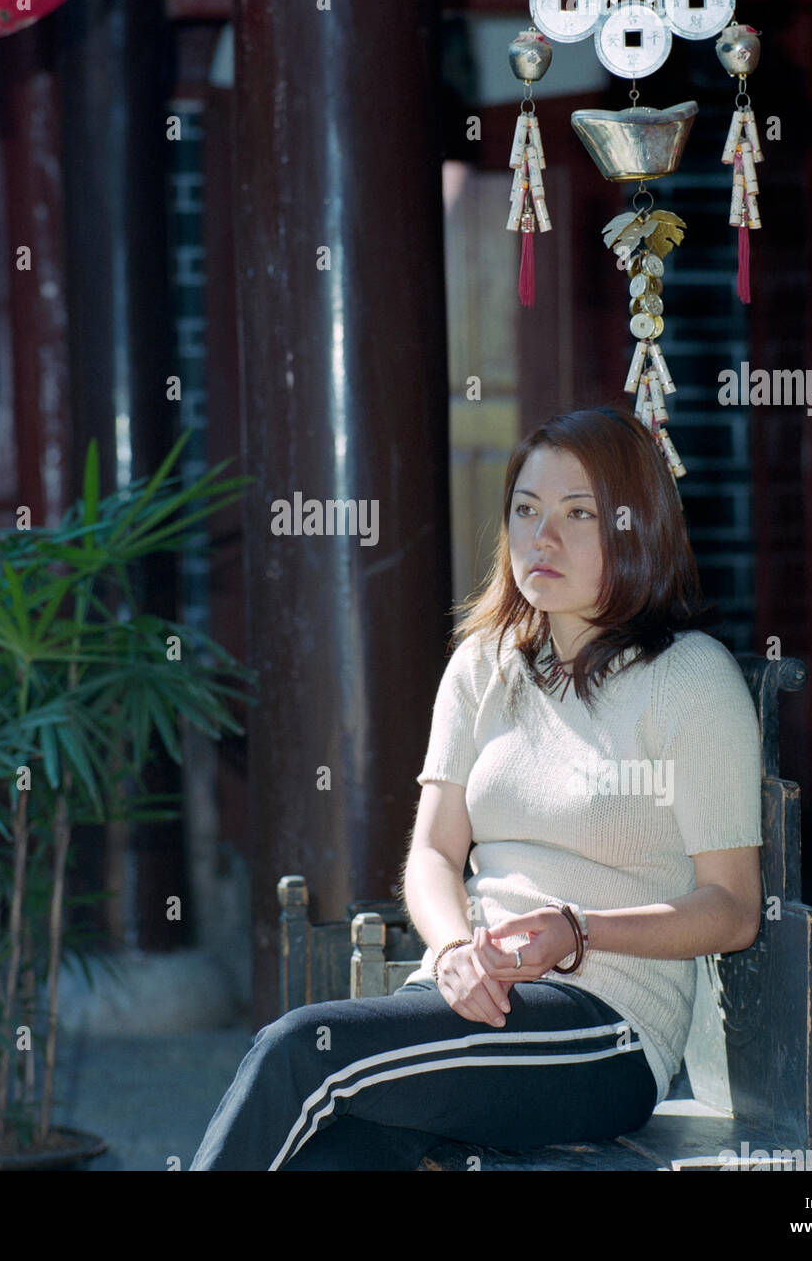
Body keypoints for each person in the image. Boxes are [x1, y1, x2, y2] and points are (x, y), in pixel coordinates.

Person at [189, 405, 763, 1171]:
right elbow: (432, 849)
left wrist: (579, 930)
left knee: (303, 1050)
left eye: (577, 513)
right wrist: (455, 946)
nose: (541, 537)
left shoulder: (690, 678)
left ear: (635, 527)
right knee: (329, 1152)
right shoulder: (483, 665)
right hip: (463, 1000)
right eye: (526, 510)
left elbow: (732, 910)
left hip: (605, 1028)